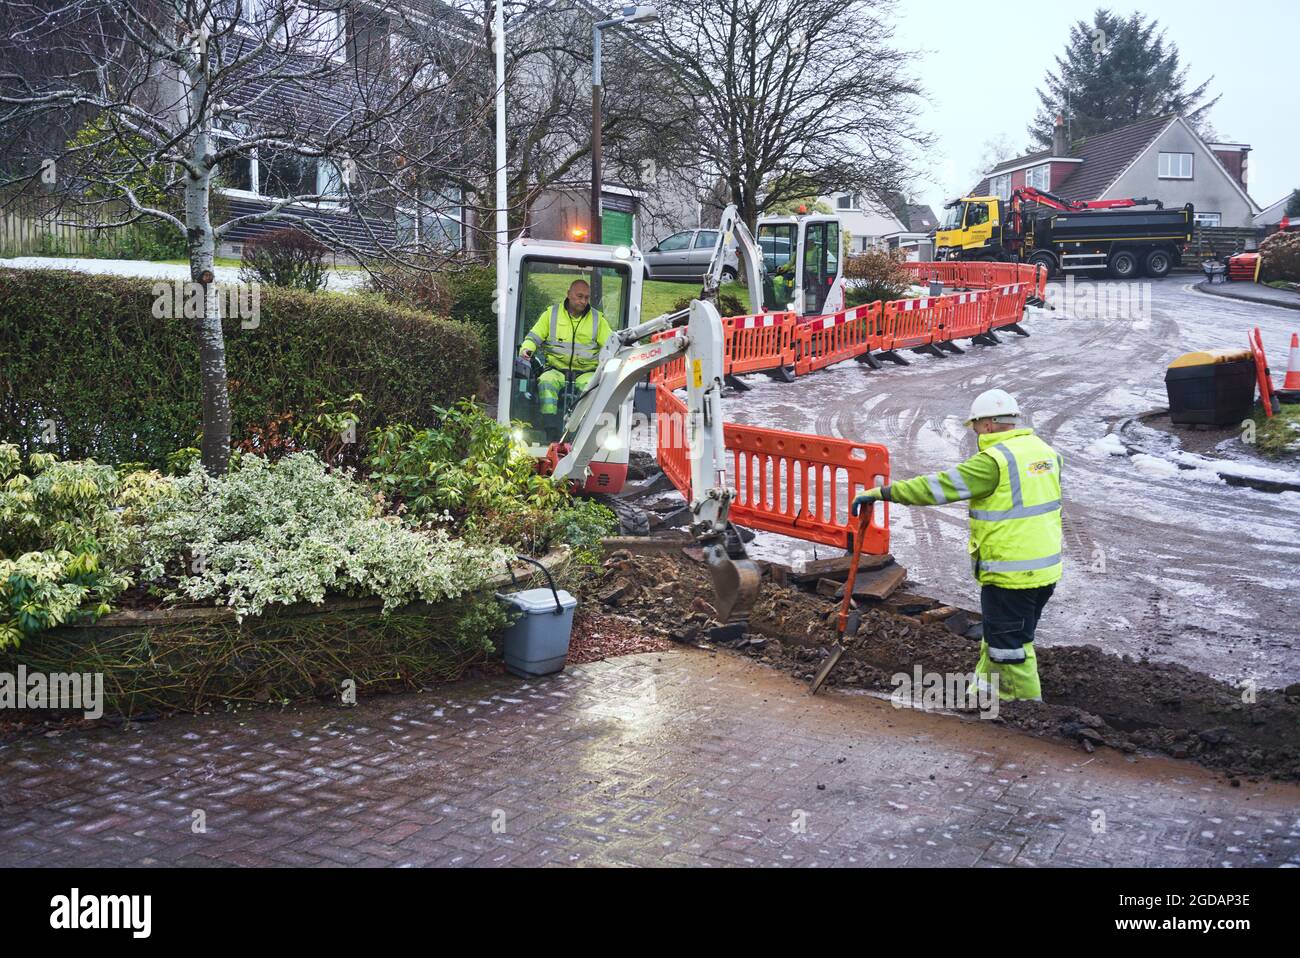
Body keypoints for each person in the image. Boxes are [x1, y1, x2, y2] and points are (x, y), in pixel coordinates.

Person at [852, 389, 1063, 702]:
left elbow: (937, 488)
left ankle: (1032, 713)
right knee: (999, 636)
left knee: (1011, 649)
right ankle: (984, 696)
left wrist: (884, 493)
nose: (976, 433)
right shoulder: (1043, 451)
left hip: (1011, 575)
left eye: (976, 427)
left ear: (988, 424)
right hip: (1043, 571)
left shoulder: (994, 462)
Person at [515, 280, 614, 417]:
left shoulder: (598, 319)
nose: (583, 301)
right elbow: (533, 338)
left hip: (586, 372)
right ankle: (550, 426)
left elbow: (612, 344)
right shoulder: (551, 314)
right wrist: (526, 349)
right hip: (555, 370)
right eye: (579, 296)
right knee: (546, 382)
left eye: (586, 297)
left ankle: (581, 428)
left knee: (591, 388)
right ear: (568, 294)